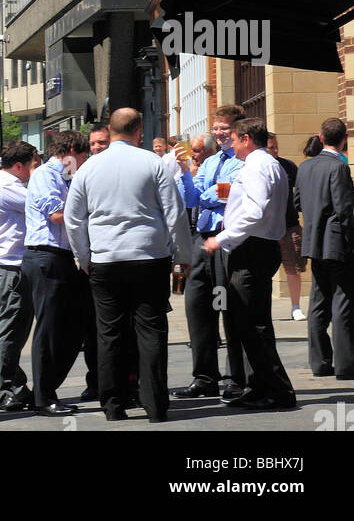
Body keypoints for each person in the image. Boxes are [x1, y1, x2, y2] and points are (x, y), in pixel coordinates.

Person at [65, 107, 191, 424]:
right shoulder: (152, 163)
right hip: (149, 256)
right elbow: (174, 214)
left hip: (106, 259)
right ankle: (155, 404)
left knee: (109, 333)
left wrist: (84, 258)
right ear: (139, 132)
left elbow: (73, 218)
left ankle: (112, 403)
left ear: (110, 129)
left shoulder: (89, 168)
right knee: (151, 330)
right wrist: (182, 257)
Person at [204, 118, 296, 410]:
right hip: (257, 247)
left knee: (253, 324)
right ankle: (259, 386)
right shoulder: (266, 163)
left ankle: (279, 390)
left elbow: (254, 212)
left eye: (232, 137)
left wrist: (223, 238)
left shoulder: (258, 165)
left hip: (252, 249)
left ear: (246, 139)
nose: (229, 142)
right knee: (248, 322)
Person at [175, 104, 247, 400]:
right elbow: (192, 197)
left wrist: (207, 192)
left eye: (224, 128)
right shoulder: (209, 162)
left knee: (228, 306)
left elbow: (227, 192)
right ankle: (204, 376)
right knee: (197, 305)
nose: (218, 133)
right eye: (215, 128)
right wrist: (184, 174)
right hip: (202, 239)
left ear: (237, 130)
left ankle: (235, 377)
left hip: (226, 240)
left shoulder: (243, 162)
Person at [22, 130, 88, 416]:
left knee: (73, 325)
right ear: (71, 150)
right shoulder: (46, 174)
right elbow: (57, 214)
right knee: (48, 329)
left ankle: (49, 386)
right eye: (83, 156)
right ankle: (43, 396)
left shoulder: (67, 175)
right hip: (45, 256)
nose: (84, 162)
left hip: (63, 257)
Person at [294, 116, 354, 379]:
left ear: (320, 138)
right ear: (345, 140)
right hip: (337, 242)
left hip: (313, 242)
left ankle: (319, 363)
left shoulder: (305, 167)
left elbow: (297, 202)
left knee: (318, 301)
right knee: (342, 301)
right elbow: (344, 210)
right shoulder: (339, 168)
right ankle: (345, 365)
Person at [0, 139, 38, 413]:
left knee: (14, 331)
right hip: (10, 269)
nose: (33, 170)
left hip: (12, 267)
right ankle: (1, 388)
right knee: (10, 332)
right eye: (31, 166)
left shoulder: (6, 183)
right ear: (18, 166)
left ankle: (14, 386)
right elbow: (40, 206)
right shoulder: (6, 188)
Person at [266, 132, 306, 321]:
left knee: (293, 267)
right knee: (263, 269)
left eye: (276, 146)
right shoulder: (256, 166)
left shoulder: (288, 166)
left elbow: (300, 192)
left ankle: (295, 306)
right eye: (271, 147)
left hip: (289, 224)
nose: (275, 150)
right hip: (265, 227)